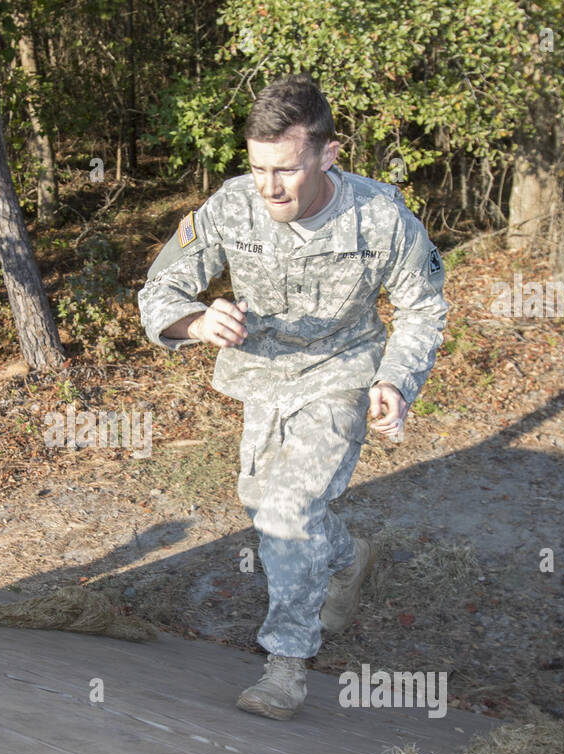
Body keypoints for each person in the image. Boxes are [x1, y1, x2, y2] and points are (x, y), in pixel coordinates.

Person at [137, 73, 449, 720]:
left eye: (286, 170)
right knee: (264, 502)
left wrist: (395, 378)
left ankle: (285, 664)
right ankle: (345, 554)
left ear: (328, 154)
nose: (270, 187)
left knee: (285, 508)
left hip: (342, 371)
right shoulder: (230, 206)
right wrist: (195, 322)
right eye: (257, 168)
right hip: (262, 379)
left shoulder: (382, 217)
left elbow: (422, 309)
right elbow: (158, 292)